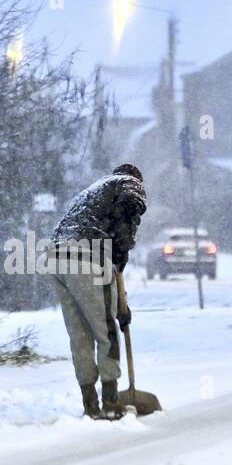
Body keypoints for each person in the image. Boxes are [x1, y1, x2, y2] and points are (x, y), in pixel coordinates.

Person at [49, 163, 146, 419]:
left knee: (79, 334)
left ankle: (90, 403)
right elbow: (125, 215)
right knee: (106, 331)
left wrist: (120, 305)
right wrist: (121, 252)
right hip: (87, 256)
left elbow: (109, 226)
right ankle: (112, 402)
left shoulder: (95, 191)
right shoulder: (130, 184)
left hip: (56, 257)